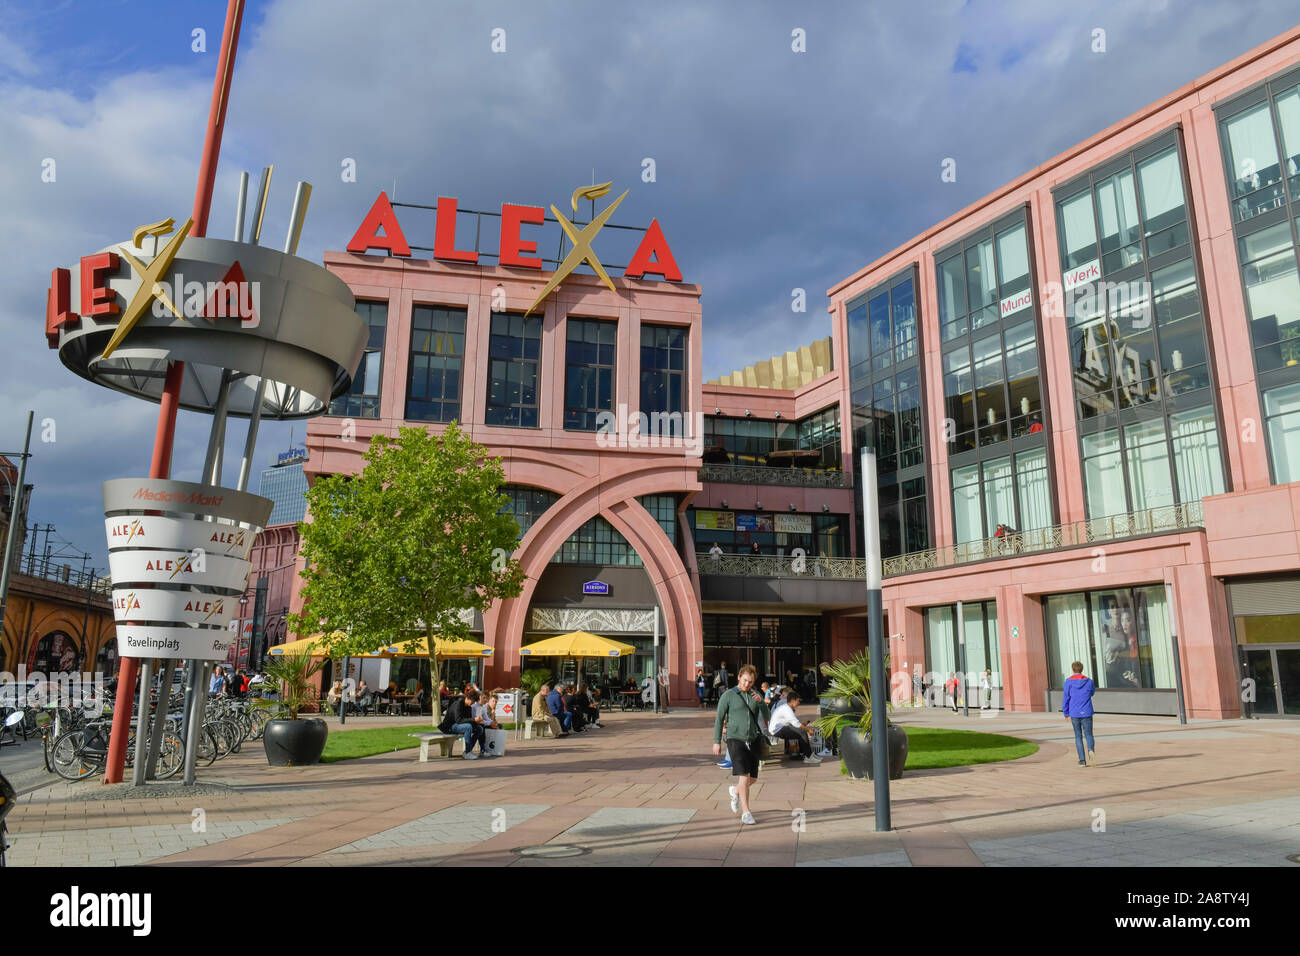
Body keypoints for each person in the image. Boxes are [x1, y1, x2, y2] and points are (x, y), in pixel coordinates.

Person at [712, 664, 771, 825]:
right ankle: (746, 812)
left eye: (750, 682)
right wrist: (716, 741)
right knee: (744, 776)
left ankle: (735, 790)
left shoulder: (755, 695)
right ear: (739, 677)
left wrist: (761, 703)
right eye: (745, 680)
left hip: (752, 739)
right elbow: (719, 719)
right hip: (735, 739)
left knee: (753, 778)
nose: (747, 684)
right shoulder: (728, 695)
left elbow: (767, 716)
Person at [1060, 661, 1097, 767]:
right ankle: (1091, 751)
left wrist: (1066, 713)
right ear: (1082, 669)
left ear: (1073, 669)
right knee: (1089, 735)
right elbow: (1092, 693)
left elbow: (1066, 698)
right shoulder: (1089, 681)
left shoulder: (1068, 682)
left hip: (1074, 713)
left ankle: (1082, 760)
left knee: (1078, 736)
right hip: (1087, 712)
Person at [768, 691, 820, 763]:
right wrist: (808, 730)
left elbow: (793, 723)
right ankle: (808, 756)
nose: (799, 703)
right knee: (802, 732)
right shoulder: (787, 709)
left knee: (800, 732)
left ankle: (806, 755)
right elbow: (796, 723)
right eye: (798, 701)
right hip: (777, 730)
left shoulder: (786, 707)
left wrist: (802, 724)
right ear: (792, 701)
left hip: (778, 729)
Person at [440, 689, 487, 759]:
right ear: (468, 698)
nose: (473, 703)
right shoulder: (458, 704)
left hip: (459, 725)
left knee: (479, 729)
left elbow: (468, 719)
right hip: (450, 726)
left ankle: (468, 750)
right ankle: (468, 752)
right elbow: (458, 720)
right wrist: (473, 719)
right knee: (468, 727)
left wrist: (476, 721)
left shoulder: (468, 706)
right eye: (472, 701)